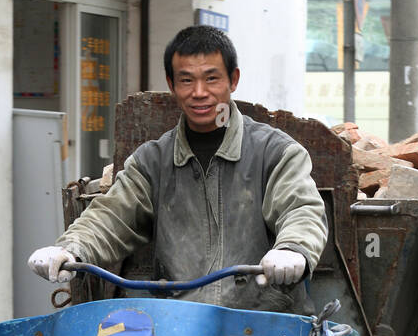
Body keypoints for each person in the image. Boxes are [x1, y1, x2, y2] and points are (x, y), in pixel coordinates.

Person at [26, 26, 327, 313]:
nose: (199, 92)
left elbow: (300, 208)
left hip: (263, 328)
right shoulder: (152, 161)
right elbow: (111, 215)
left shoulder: (275, 151)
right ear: (171, 85)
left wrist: (293, 249)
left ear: (233, 80)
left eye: (212, 79)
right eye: (186, 80)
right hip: (181, 329)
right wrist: (69, 249)